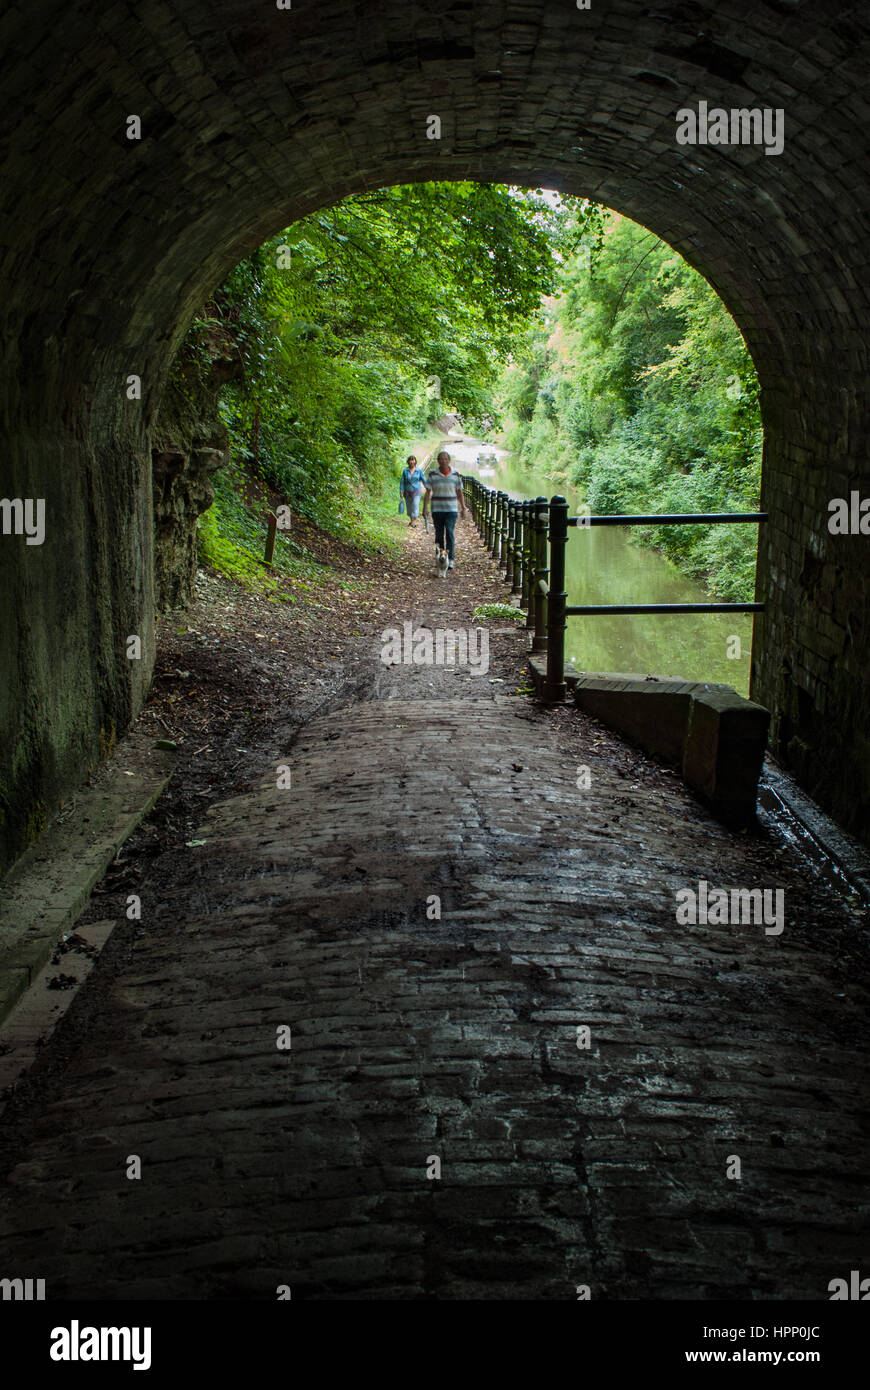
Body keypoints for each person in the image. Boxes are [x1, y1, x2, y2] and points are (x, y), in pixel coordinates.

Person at [422, 450, 466, 569]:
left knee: (450, 533)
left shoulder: (456, 475)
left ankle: (450, 558)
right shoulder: (433, 474)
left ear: (449, 460)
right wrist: (425, 508)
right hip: (437, 510)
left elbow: (459, 492)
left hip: (451, 509)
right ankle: (440, 557)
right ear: (438, 461)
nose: (443, 461)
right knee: (439, 534)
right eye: (441, 459)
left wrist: (463, 507)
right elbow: (428, 492)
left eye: (446, 459)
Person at [399, 455, 427, 526]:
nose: (412, 461)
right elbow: (402, 482)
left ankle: (413, 522)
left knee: (415, 505)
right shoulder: (405, 471)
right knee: (409, 507)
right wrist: (401, 491)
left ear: (415, 461)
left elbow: (424, 480)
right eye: (410, 460)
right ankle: (411, 521)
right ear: (408, 461)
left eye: (413, 460)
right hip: (407, 492)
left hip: (417, 492)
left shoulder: (419, 470)